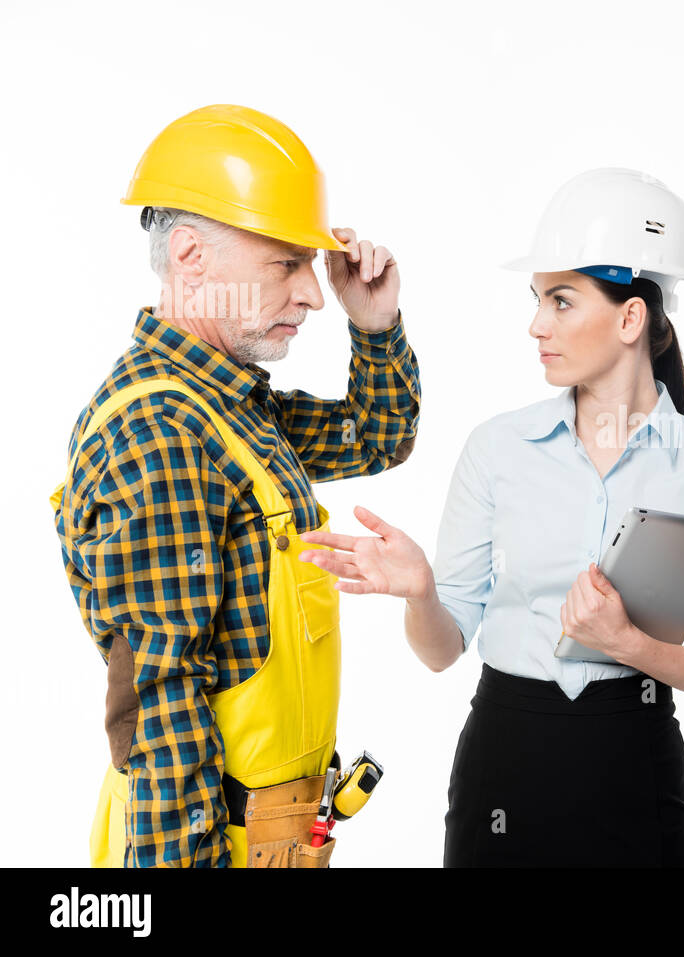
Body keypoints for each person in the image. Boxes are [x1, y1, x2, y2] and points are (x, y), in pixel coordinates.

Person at [299, 168, 684, 867]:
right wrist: (424, 593)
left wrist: (630, 645)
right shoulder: (498, 449)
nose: (537, 324)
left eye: (562, 301)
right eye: (538, 299)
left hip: (637, 766)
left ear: (630, 317)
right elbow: (441, 650)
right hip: (506, 761)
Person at [48, 104, 420, 867]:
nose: (314, 294)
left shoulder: (231, 408)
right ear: (191, 255)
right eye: (287, 263)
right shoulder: (161, 433)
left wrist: (375, 326)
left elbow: (377, 432)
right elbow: (159, 705)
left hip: (277, 843)